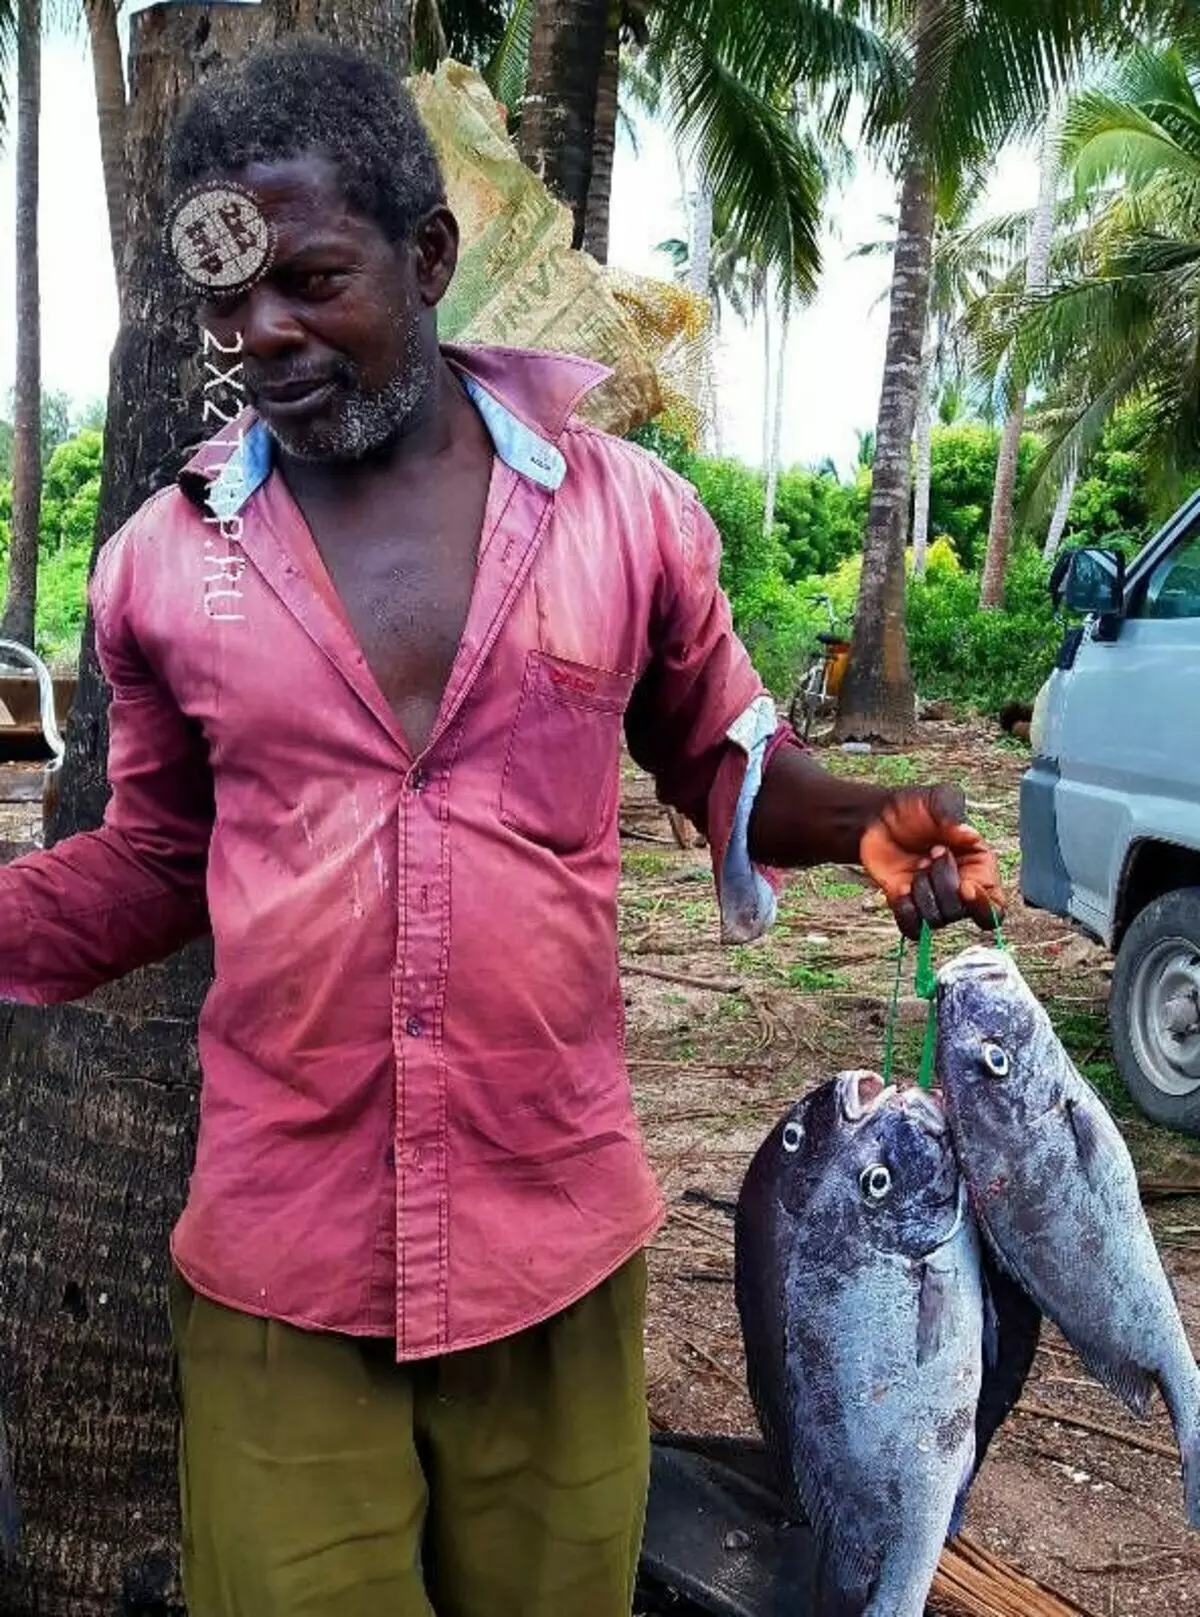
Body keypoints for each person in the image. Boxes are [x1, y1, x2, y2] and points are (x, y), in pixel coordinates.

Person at [0, 38, 1004, 1617]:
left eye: (313, 282)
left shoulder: (623, 517)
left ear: (431, 255)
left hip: (554, 1244)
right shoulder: (156, 568)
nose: (261, 338)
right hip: (283, 1269)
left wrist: (874, 818)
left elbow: (725, 758)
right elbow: (153, 861)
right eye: (226, 306)